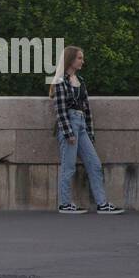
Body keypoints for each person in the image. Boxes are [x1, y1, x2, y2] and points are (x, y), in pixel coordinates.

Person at [51, 45, 122, 215]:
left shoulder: (81, 81)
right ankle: (65, 204)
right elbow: (60, 110)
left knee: (94, 164)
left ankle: (102, 204)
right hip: (70, 124)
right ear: (70, 60)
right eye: (80, 58)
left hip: (81, 124)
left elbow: (87, 109)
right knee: (69, 167)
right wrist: (68, 133)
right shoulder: (60, 81)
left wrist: (90, 132)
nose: (83, 61)